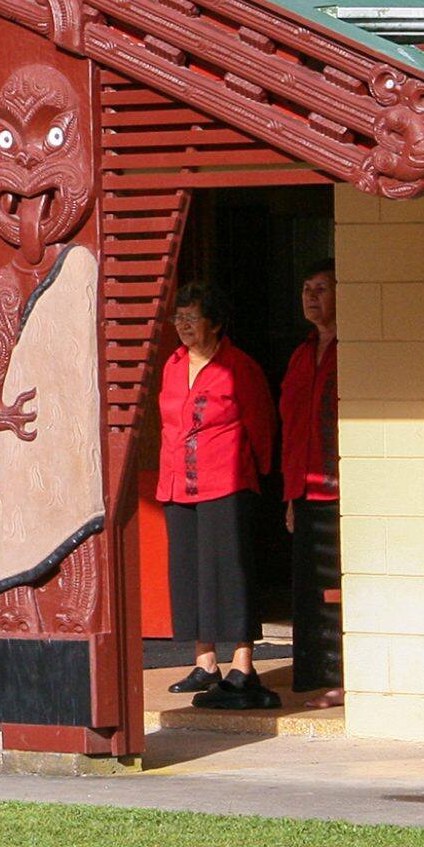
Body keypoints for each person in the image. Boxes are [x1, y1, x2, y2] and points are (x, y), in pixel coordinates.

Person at [157, 281, 280, 711]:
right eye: (179, 318)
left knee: (229, 571)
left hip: (226, 480)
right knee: (188, 572)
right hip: (177, 481)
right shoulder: (172, 365)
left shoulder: (238, 366)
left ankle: (243, 662)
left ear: (216, 323)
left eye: (192, 318)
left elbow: (262, 423)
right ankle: (204, 661)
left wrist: (264, 478)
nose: (184, 326)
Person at [283, 262, 344, 702]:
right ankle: (313, 675)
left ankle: (344, 678)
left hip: (342, 490)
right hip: (304, 488)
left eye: (321, 288)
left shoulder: (353, 348)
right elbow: (289, 424)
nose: (311, 296)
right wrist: (289, 495)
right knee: (308, 590)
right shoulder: (302, 352)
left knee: (340, 588)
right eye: (306, 288)